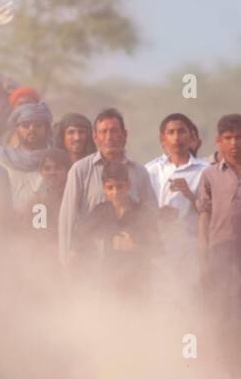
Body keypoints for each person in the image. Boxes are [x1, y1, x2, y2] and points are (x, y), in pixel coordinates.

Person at [57, 108, 155, 266]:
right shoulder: (80, 169)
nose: (109, 137)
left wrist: (142, 250)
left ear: (124, 135)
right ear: (95, 137)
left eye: (114, 131)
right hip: (91, 261)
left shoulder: (139, 172)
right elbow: (68, 217)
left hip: (133, 263)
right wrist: (65, 258)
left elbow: (151, 216)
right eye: (103, 132)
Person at [80, 163, 161, 297]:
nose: (115, 192)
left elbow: (157, 249)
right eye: (110, 188)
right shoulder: (100, 212)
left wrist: (133, 247)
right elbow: (80, 240)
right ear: (104, 188)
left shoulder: (142, 213)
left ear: (128, 185)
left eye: (119, 186)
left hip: (137, 284)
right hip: (108, 283)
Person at [197, 114, 241, 339]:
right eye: (229, 138)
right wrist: (203, 259)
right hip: (220, 250)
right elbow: (204, 217)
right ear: (219, 142)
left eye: (239, 137)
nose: (234, 143)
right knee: (222, 311)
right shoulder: (209, 174)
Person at [145, 113, 210, 266]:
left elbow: (211, 211)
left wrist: (189, 194)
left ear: (192, 137)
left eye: (181, 131)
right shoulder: (151, 170)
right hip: (158, 247)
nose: (176, 138)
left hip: (191, 248)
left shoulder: (205, 171)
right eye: (171, 132)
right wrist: (157, 213)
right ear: (162, 139)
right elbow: (141, 209)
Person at [0, 101, 54, 213]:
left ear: (46, 128)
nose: (32, 129)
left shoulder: (57, 160)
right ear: (16, 128)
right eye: (25, 125)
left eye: (38, 125)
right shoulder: (1, 158)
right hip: (7, 224)